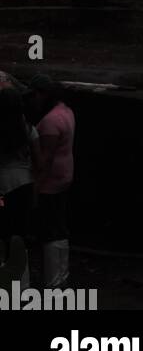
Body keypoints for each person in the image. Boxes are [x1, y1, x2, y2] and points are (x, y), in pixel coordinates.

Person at [27, 76, 74, 288]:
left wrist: (35, 190)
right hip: (64, 176)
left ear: (43, 94)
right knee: (58, 227)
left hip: (50, 183)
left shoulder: (50, 122)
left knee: (49, 230)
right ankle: (60, 277)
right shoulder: (66, 112)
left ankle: (53, 281)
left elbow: (43, 162)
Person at [0, 87, 39, 287]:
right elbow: (38, 160)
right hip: (24, 186)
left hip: (3, 189)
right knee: (20, 235)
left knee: (3, 235)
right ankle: (22, 285)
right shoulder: (28, 128)